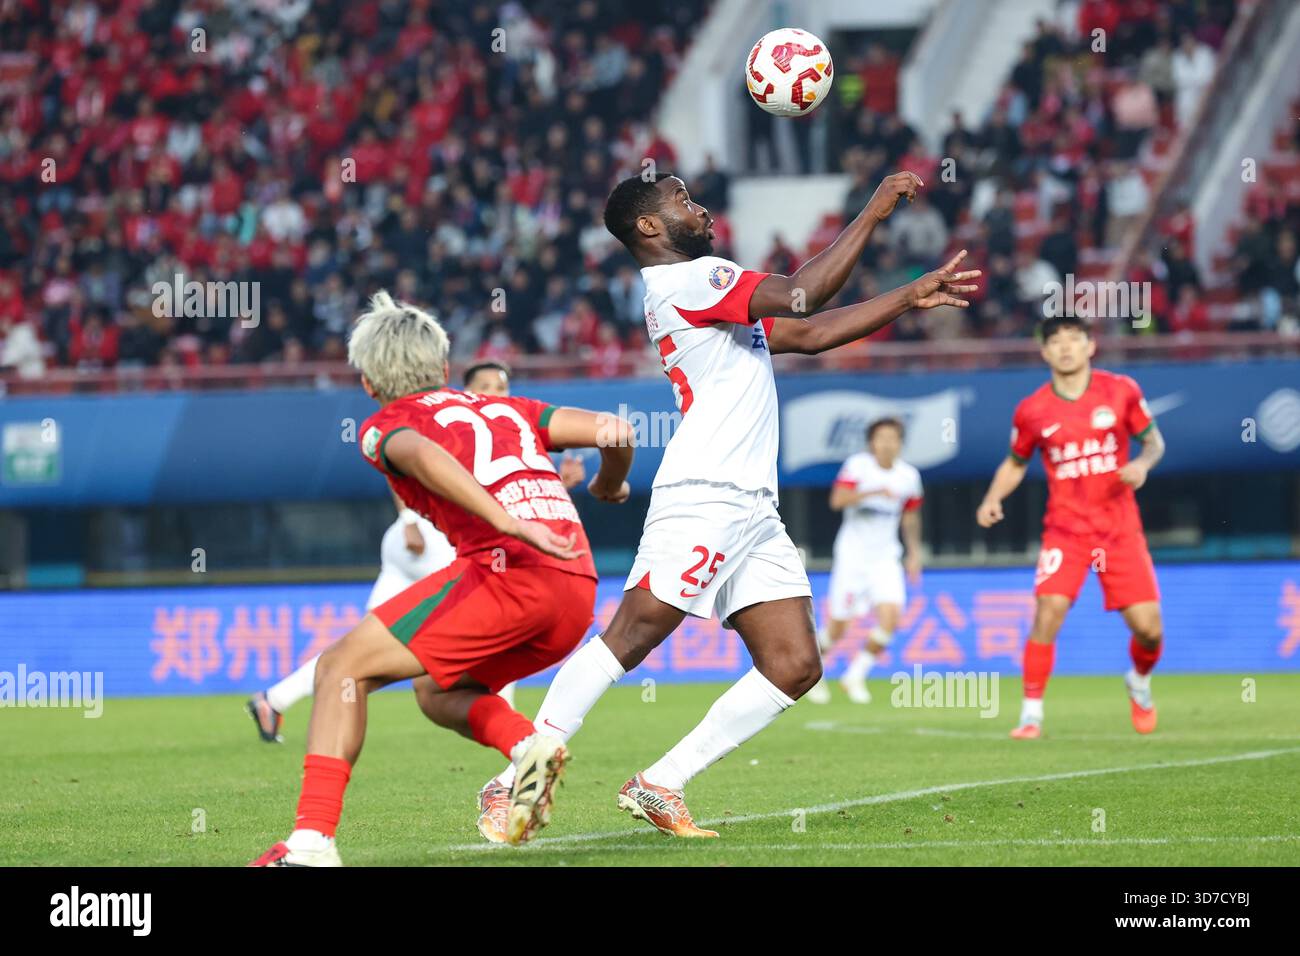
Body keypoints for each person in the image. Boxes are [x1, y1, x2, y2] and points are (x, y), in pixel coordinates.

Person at [471, 170, 979, 840]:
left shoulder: (703, 292)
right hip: (705, 491)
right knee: (634, 633)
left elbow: (809, 332)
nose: (700, 207)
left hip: (752, 506)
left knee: (794, 664)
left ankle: (661, 782)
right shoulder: (692, 279)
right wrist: (873, 211)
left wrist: (907, 296)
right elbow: (801, 295)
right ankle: (510, 779)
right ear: (648, 226)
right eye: (682, 200)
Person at [249, 292, 633, 864]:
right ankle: (527, 746)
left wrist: (506, 521)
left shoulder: (385, 424)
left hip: (506, 575)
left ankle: (311, 844)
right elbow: (616, 430)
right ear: (446, 366)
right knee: (436, 691)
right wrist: (608, 485)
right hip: (576, 587)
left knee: (340, 669)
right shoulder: (510, 409)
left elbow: (420, 453)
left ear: (369, 384)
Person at [246, 363, 588, 740]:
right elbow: (414, 460)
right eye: (486, 385)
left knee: (360, 647)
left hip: (414, 541)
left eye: (502, 386)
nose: (496, 392)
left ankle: (274, 699)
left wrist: (560, 482)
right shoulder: (457, 416)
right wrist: (409, 518)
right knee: (497, 624)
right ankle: (519, 740)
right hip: (430, 540)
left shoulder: (489, 423)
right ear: (465, 390)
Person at [976, 315, 1165, 739]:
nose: (1065, 347)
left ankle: (1138, 681)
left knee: (1149, 630)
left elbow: (1154, 442)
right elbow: (1016, 462)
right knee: (1049, 610)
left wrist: (1141, 464)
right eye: (1056, 341)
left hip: (1119, 529)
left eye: (1074, 339)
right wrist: (992, 498)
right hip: (1066, 530)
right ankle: (1031, 715)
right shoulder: (1032, 410)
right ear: (1044, 352)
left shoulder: (1121, 391)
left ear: (1090, 346)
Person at [807, 417, 923, 705]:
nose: (887, 444)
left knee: (891, 617)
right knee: (839, 626)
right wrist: (873, 492)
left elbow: (910, 516)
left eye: (893, 438)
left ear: (900, 443)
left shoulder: (908, 476)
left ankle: (856, 674)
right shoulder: (858, 466)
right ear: (871, 442)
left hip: (886, 557)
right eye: (881, 438)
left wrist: (914, 553)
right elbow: (837, 501)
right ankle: (812, 673)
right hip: (853, 557)